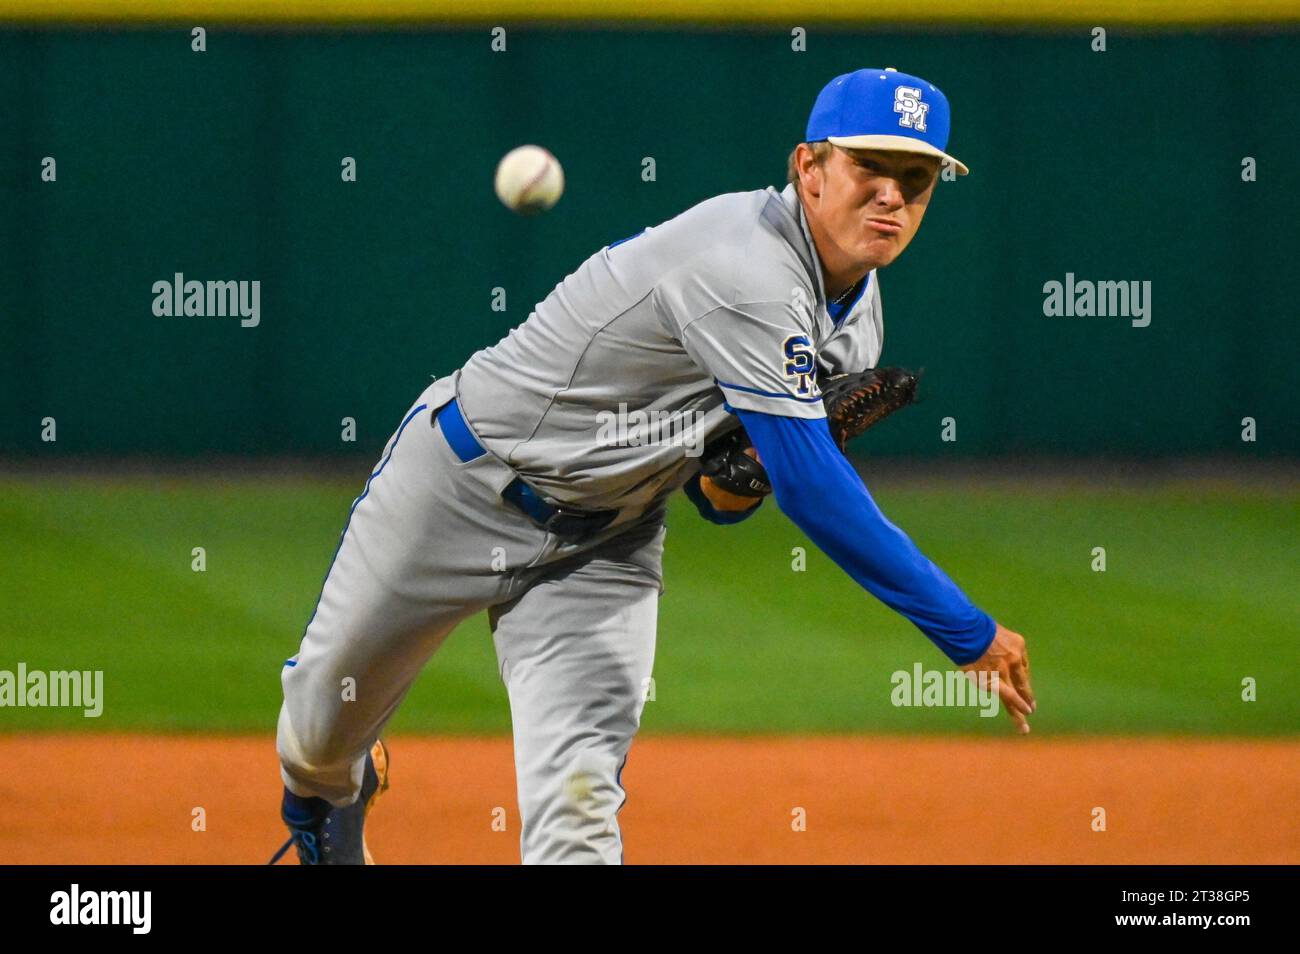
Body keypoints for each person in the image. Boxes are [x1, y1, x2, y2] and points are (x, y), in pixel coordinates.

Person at [272, 67, 1035, 866]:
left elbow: (717, 495)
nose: (892, 195)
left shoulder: (856, 323)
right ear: (808, 169)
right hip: (461, 487)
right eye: (868, 168)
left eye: (915, 179)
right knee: (318, 737)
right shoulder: (744, 264)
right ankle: (333, 791)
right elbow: (814, 492)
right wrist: (965, 630)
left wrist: (745, 477)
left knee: (579, 808)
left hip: (605, 543)